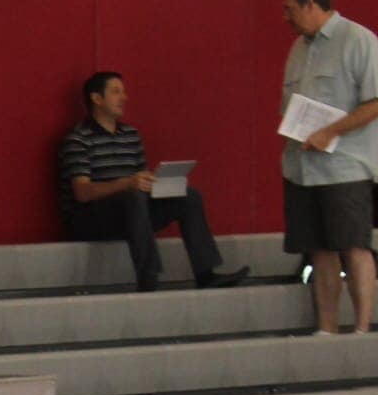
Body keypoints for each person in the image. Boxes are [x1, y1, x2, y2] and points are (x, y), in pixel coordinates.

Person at [57, 72, 247, 291]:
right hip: (91, 219)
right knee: (133, 197)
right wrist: (128, 183)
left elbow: (140, 182)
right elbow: (82, 192)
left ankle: (206, 273)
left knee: (189, 196)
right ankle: (148, 275)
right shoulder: (78, 139)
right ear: (97, 99)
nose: (124, 98)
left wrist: (160, 183)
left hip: (132, 209)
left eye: (124, 92)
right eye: (116, 92)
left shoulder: (130, 135)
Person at [279, 0, 378, 335]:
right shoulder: (298, 49)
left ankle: (361, 329)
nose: (286, 17)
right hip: (302, 167)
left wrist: (330, 131)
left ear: (311, 4)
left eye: (290, 8)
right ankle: (327, 328)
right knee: (319, 251)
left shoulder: (358, 40)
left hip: (345, 168)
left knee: (354, 247)